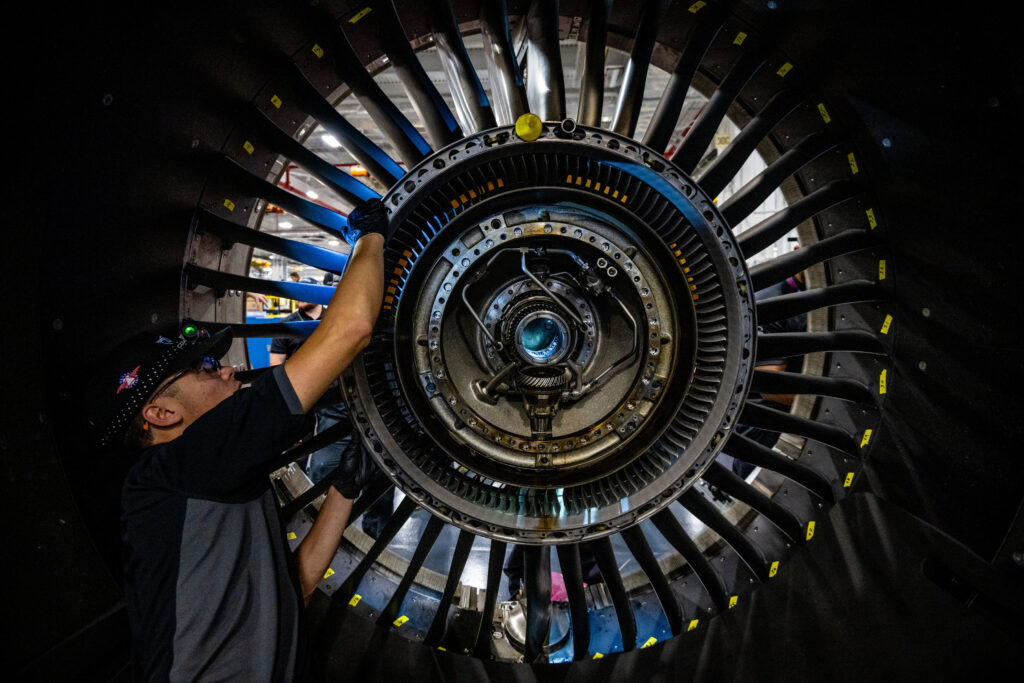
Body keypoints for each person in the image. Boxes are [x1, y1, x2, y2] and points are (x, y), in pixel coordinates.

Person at [89, 198, 389, 681]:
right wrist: (369, 240)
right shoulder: (174, 471)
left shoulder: (210, 483)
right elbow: (351, 329)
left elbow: (294, 590)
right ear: (161, 413)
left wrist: (344, 491)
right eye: (205, 369)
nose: (228, 370)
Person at [269, 276, 349, 484]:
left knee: (327, 457)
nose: (299, 296)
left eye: (305, 290)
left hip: (333, 400)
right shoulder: (287, 326)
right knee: (300, 454)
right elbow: (275, 368)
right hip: (300, 400)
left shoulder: (333, 320)